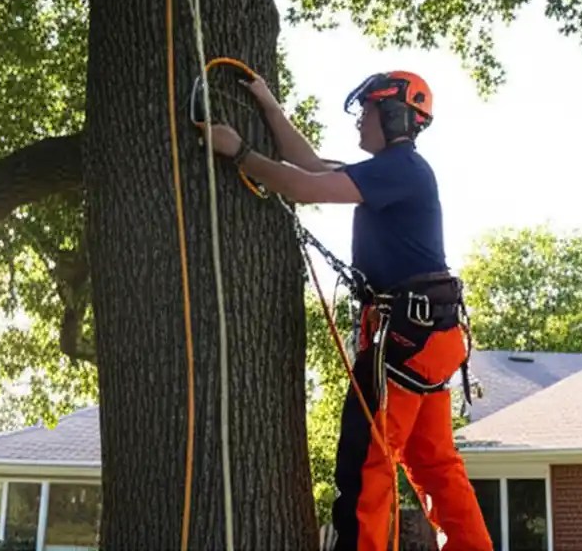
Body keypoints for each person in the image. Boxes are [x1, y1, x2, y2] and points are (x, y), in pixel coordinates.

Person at [203, 71, 492, 551]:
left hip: (407, 336)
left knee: (368, 463)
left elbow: (302, 186)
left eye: (367, 111)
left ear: (393, 116)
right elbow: (311, 166)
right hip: (428, 337)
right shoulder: (393, 172)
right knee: (435, 463)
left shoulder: (401, 169)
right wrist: (268, 104)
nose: (360, 120)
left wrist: (240, 152)